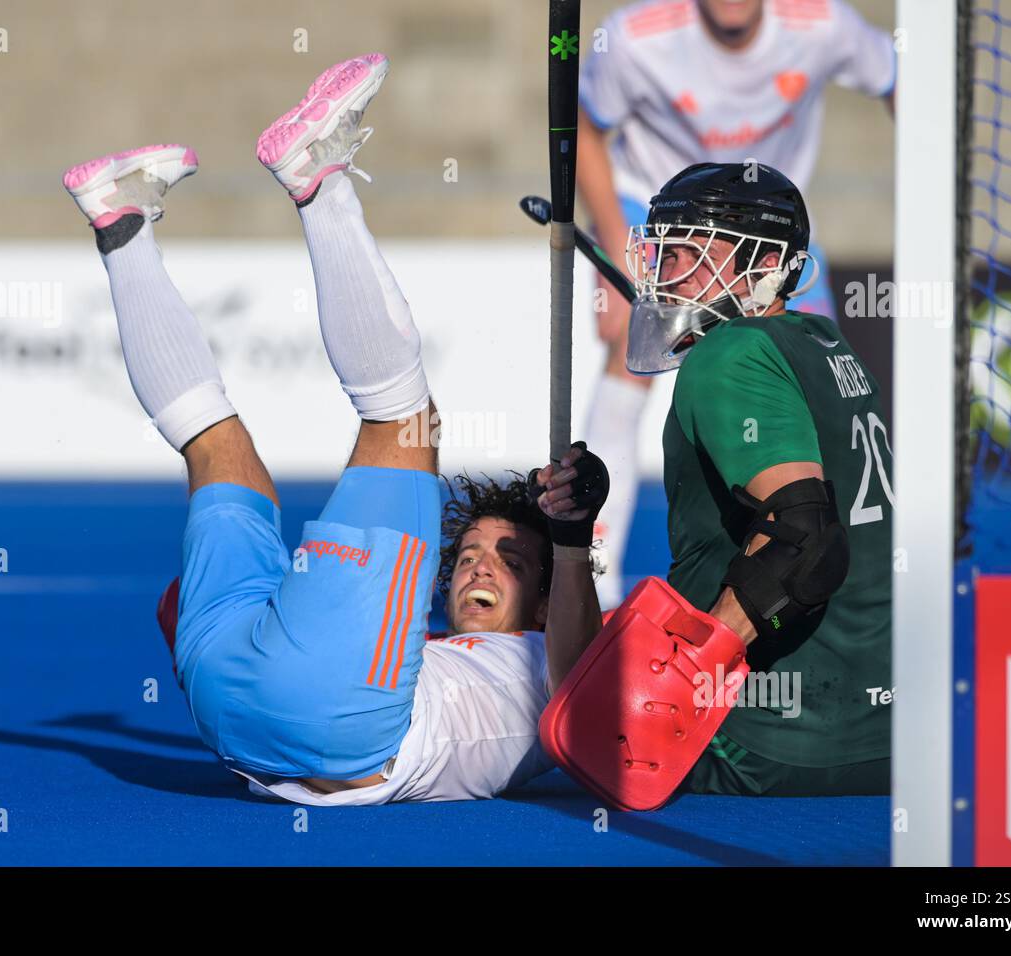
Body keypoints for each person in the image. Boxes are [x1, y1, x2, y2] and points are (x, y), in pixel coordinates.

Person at [63, 54, 610, 805]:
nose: (479, 567)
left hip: (332, 722)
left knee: (406, 418)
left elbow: (581, 685)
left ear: (545, 602)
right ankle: (121, 222)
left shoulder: (553, 659)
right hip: (234, 708)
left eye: (511, 559)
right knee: (217, 447)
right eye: (473, 554)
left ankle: (317, 178)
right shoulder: (414, 645)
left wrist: (572, 540)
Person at [576, 0, 896, 607]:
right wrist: (621, 251)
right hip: (663, 227)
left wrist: (933, 183)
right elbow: (586, 128)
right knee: (630, 360)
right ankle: (595, 582)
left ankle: (831, 569)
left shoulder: (824, 25)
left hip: (770, 237)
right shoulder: (634, 39)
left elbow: (899, 80)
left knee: (819, 382)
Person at [620, 161, 893, 796]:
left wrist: (693, 669)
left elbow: (806, 538)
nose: (666, 271)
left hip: (760, 747)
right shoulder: (822, 340)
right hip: (883, 739)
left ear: (767, 264)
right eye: (662, 250)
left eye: (689, 248)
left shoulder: (729, 353)